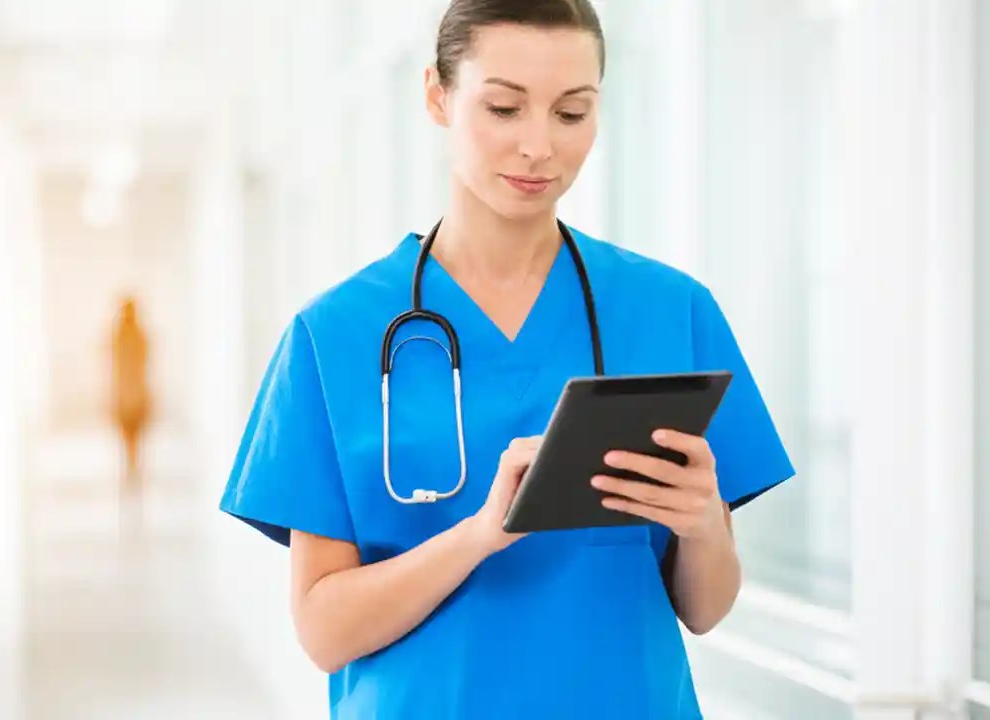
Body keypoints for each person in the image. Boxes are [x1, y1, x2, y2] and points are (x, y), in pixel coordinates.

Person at [219, 1, 794, 717]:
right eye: (503, 108)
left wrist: (704, 522)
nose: (538, 148)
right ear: (437, 96)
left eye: (571, 113)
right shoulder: (334, 336)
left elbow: (705, 610)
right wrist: (479, 536)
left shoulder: (669, 311)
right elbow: (324, 632)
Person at [110, 295, 153, 525]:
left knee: (132, 437)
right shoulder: (132, 337)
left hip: (129, 396)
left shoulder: (123, 338)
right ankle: (131, 468)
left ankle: (132, 469)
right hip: (131, 395)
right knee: (131, 437)